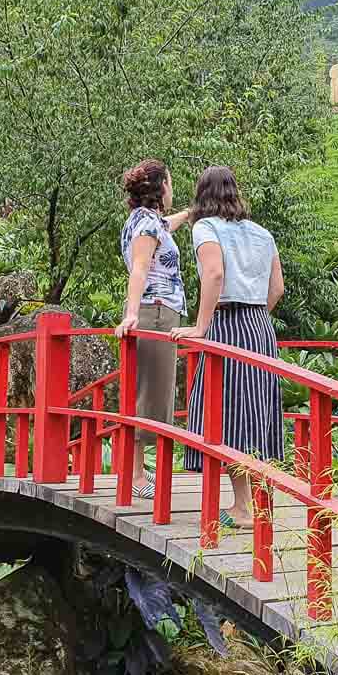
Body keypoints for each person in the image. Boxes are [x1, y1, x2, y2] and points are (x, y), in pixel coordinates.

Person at [170, 166, 285, 529]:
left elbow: (214, 274)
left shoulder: (206, 228)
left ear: (202, 194)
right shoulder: (262, 233)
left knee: (231, 414)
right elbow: (277, 288)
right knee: (256, 413)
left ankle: (243, 508)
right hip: (261, 327)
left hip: (227, 325)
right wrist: (256, 317)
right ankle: (256, 504)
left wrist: (202, 327)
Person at [115, 160, 190, 498]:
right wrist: (131, 313)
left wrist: (189, 214)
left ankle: (138, 471)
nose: (173, 190)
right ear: (160, 189)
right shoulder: (147, 226)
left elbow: (165, 228)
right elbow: (141, 268)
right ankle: (134, 476)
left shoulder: (146, 221)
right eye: (170, 183)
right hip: (155, 311)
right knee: (150, 395)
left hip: (157, 311)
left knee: (147, 390)